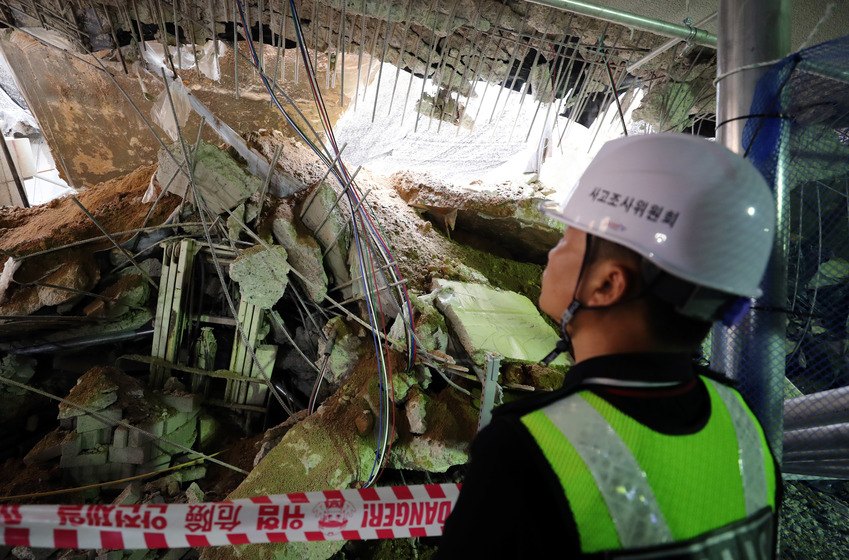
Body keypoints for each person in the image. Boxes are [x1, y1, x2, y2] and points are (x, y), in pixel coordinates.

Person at [436, 133, 782, 559]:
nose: (554, 253)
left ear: (605, 284)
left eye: (568, 239)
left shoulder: (526, 448)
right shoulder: (741, 421)